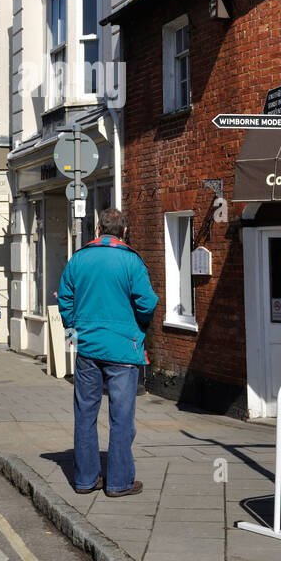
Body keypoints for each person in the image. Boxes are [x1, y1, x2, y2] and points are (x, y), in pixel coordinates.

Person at [58, 207, 158, 498]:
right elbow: (147, 304)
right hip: (123, 350)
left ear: (98, 230)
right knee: (121, 418)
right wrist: (137, 328)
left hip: (87, 348)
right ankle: (119, 482)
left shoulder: (78, 260)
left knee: (85, 415)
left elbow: (65, 302)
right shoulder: (132, 262)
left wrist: (74, 336)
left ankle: (85, 480)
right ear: (124, 232)